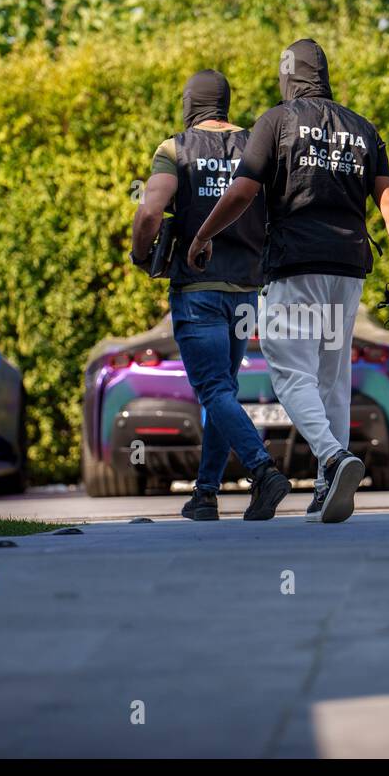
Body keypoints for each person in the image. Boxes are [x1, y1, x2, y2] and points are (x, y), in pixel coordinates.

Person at [185, 39, 389, 523]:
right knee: (332, 378)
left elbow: (245, 190)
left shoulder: (276, 121)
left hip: (297, 266)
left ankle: (334, 458)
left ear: (287, 75)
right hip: (349, 270)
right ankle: (323, 487)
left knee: (289, 370)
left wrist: (203, 234)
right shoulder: (363, 129)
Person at [130, 69, 292, 521]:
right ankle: (204, 494)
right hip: (246, 290)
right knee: (224, 390)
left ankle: (263, 471)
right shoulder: (257, 144)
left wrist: (142, 255)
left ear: (189, 102)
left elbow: (150, 211)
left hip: (198, 288)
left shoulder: (175, 148)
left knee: (214, 389)